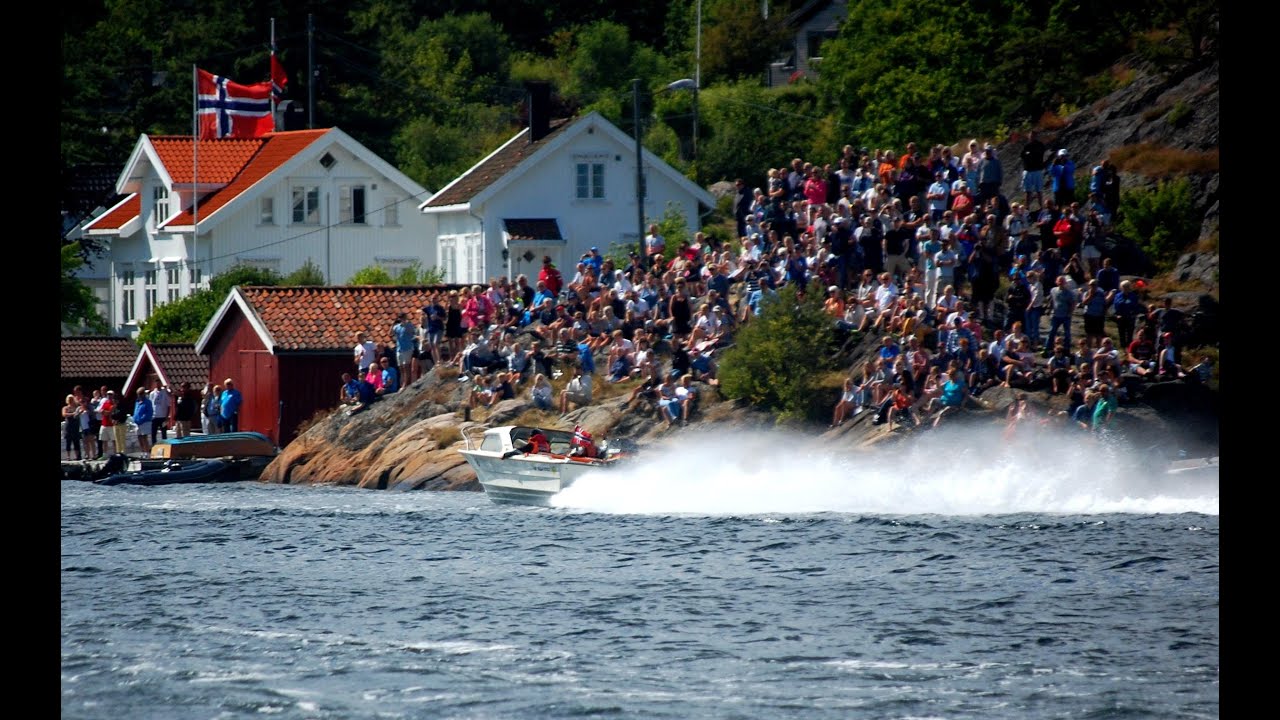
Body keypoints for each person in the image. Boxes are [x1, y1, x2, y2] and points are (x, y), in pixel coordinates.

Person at [1020, 129, 1047, 210]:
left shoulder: (1040, 145)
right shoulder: (1026, 146)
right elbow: (1022, 155)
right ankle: (1027, 207)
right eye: (1031, 136)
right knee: (1028, 191)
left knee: (1039, 190)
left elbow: (1041, 154)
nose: (1032, 137)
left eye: (1034, 136)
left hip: (1037, 170)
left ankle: (1041, 207)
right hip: (1028, 170)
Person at [148, 380, 172, 446]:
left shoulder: (165, 393)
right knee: (153, 433)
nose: (157, 385)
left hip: (163, 417)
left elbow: (168, 405)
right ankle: (154, 446)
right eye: (156, 383)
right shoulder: (152, 394)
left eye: (159, 383)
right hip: (154, 417)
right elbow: (150, 405)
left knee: (164, 433)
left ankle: (165, 446)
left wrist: (167, 416)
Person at [132, 387, 154, 455]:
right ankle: (142, 452)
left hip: (145, 422)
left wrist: (141, 419)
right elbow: (135, 411)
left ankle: (147, 452)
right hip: (137, 423)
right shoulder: (137, 402)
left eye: (141, 394)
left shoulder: (148, 402)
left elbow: (149, 413)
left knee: (144, 437)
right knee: (139, 437)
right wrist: (134, 419)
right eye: (138, 394)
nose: (140, 395)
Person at [62, 394, 82, 461]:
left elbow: (79, 411)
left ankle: (77, 456)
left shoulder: (76, 407)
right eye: (69, 399)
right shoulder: (65, 408)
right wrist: (72, 414)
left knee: (76, 442)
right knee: (68, 442)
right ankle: (68, 456)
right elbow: (64, 414)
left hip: (75, 426)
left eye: (71, 399)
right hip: (68, 426)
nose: (70, 400)